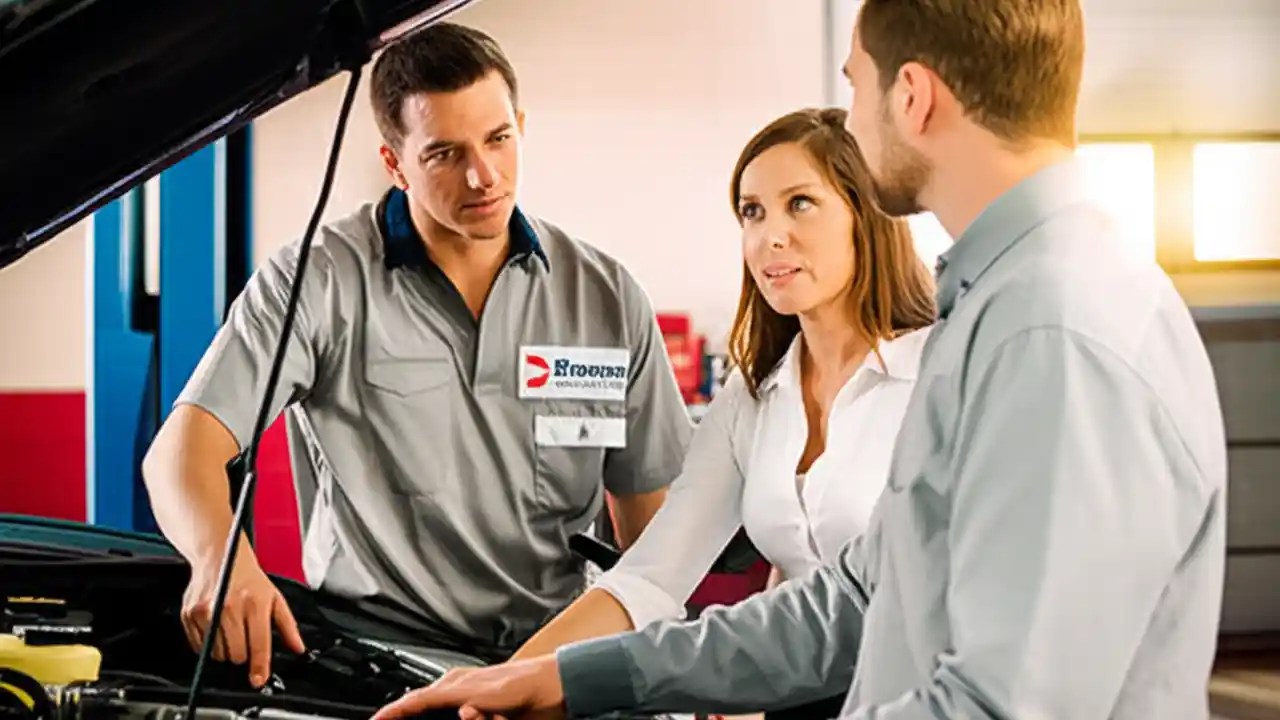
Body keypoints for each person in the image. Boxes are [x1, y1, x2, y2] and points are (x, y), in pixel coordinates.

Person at [372, 0, 1229, 718]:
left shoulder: (1054, 336)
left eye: (855, 84)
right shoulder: (1002, 312)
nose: (852, 115)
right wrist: (562, 679)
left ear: (915, 97)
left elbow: (1004, 706)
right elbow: (852, 604)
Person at [140, 22, 692, 687]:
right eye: (444, 154)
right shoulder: (319, 280)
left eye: (498, 139)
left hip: (550, 670)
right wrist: (219, 560)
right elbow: (181, 452)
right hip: (381, 668)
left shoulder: (603, 296)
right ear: (395, 162)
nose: (482, 175)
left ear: (520, 124)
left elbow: (652, 538)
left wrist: (675, 662)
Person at [507, 107, 936, 718]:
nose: (769, 236)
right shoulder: (754, 393)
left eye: (800, 204)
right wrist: (502, 685)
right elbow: (650, 579)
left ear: (866, 214)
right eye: (752, 211)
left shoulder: (938, 371)